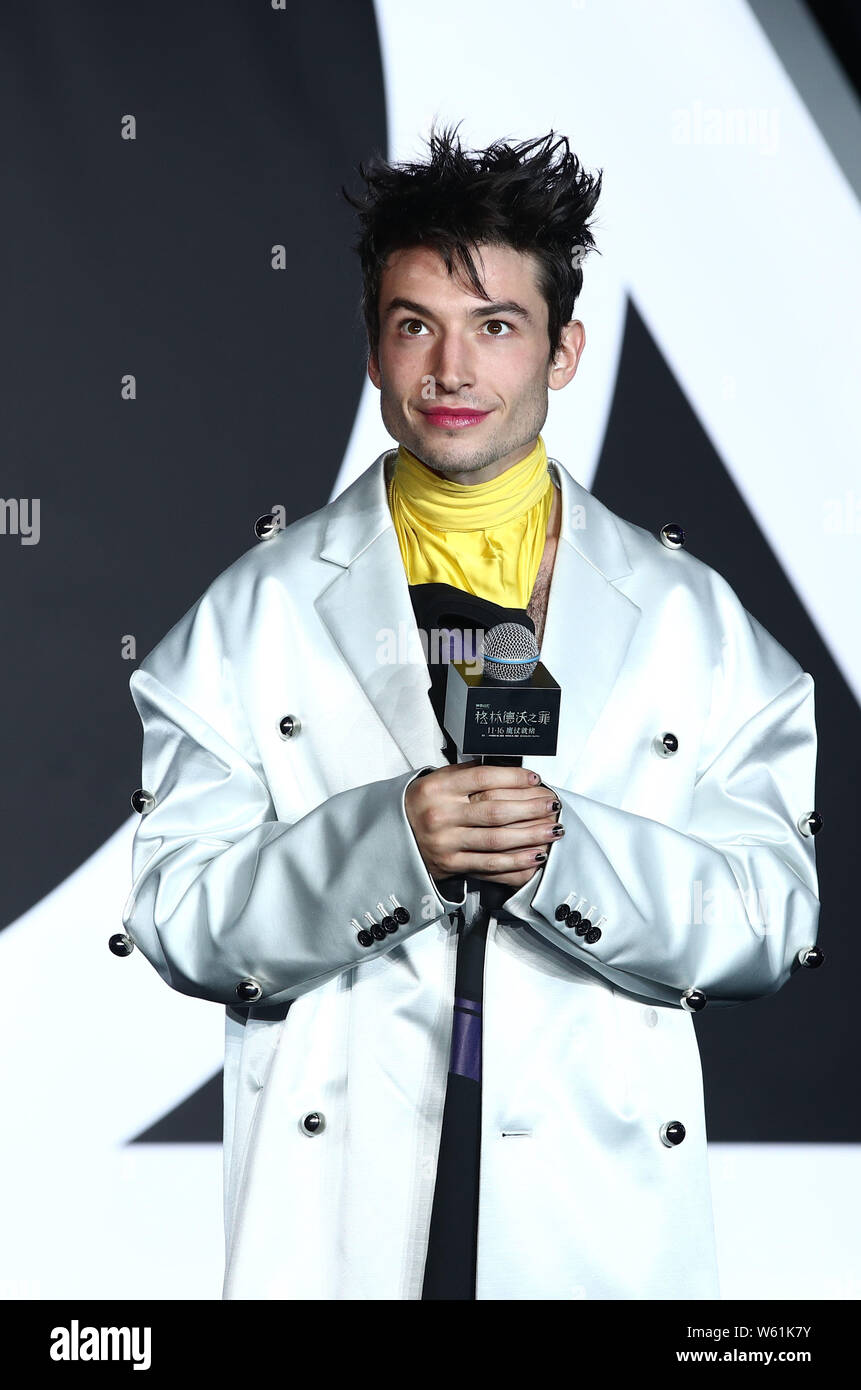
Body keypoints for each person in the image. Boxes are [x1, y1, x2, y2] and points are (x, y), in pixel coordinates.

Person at [120, 123, 823, 1300]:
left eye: (495, 326)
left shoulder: (689, 618)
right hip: (341, 1194)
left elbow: (773, 917)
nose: (451, 370)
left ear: (562, 351)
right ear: (373, 348)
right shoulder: (259, 612)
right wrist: (387, 844)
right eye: (416, 326)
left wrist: (566, 852)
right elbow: (176, 915)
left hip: (590, 1212)